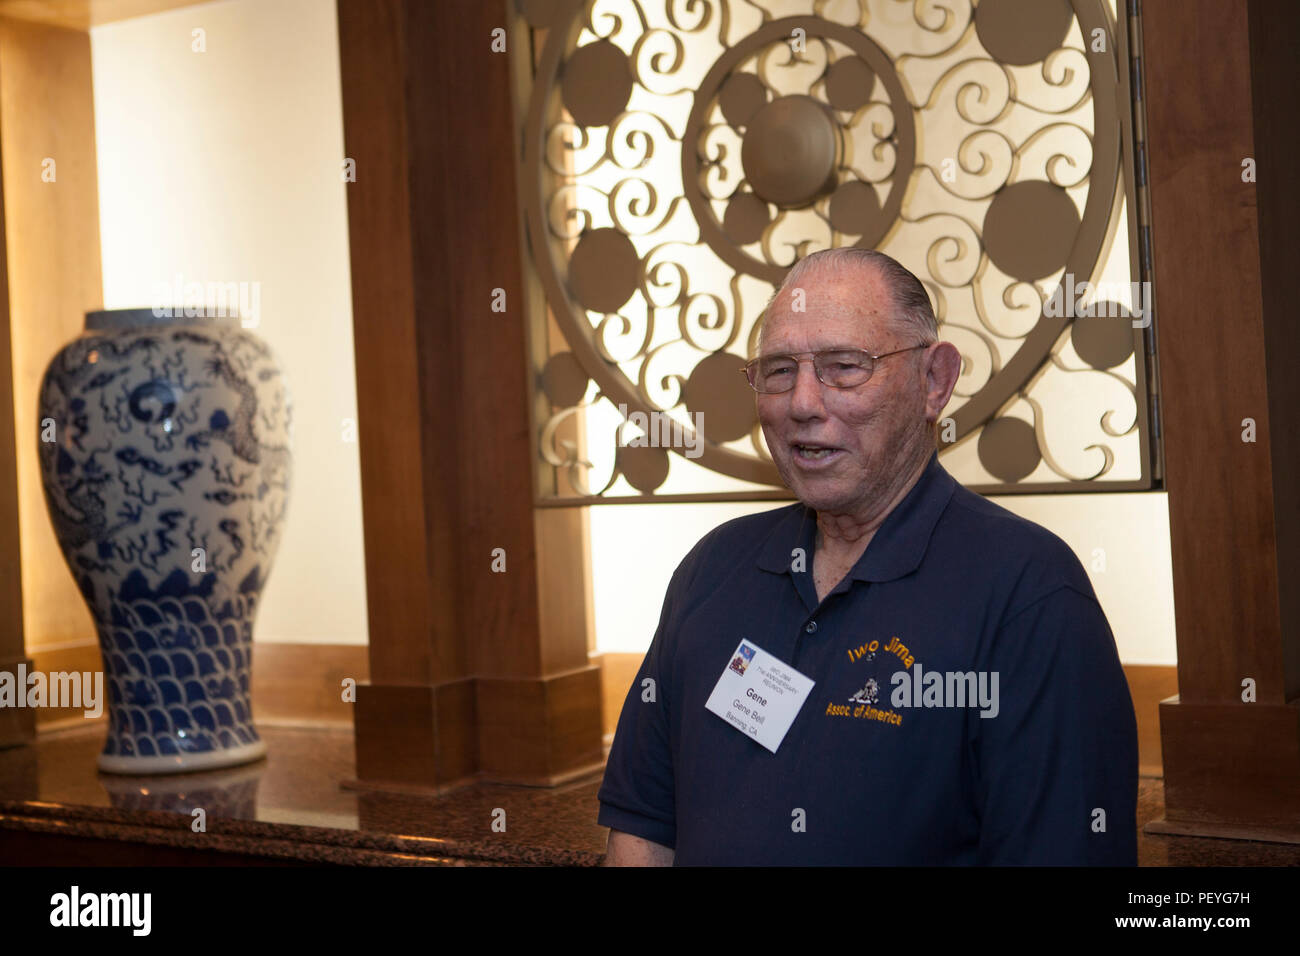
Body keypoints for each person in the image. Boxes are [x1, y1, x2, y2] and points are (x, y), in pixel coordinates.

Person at [597, 247, 1138, 866]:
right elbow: (642, 828)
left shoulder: (1029, 594)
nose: (803, 402)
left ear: (934, 381)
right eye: (779, 370)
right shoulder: (712, 570)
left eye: (844, 367)